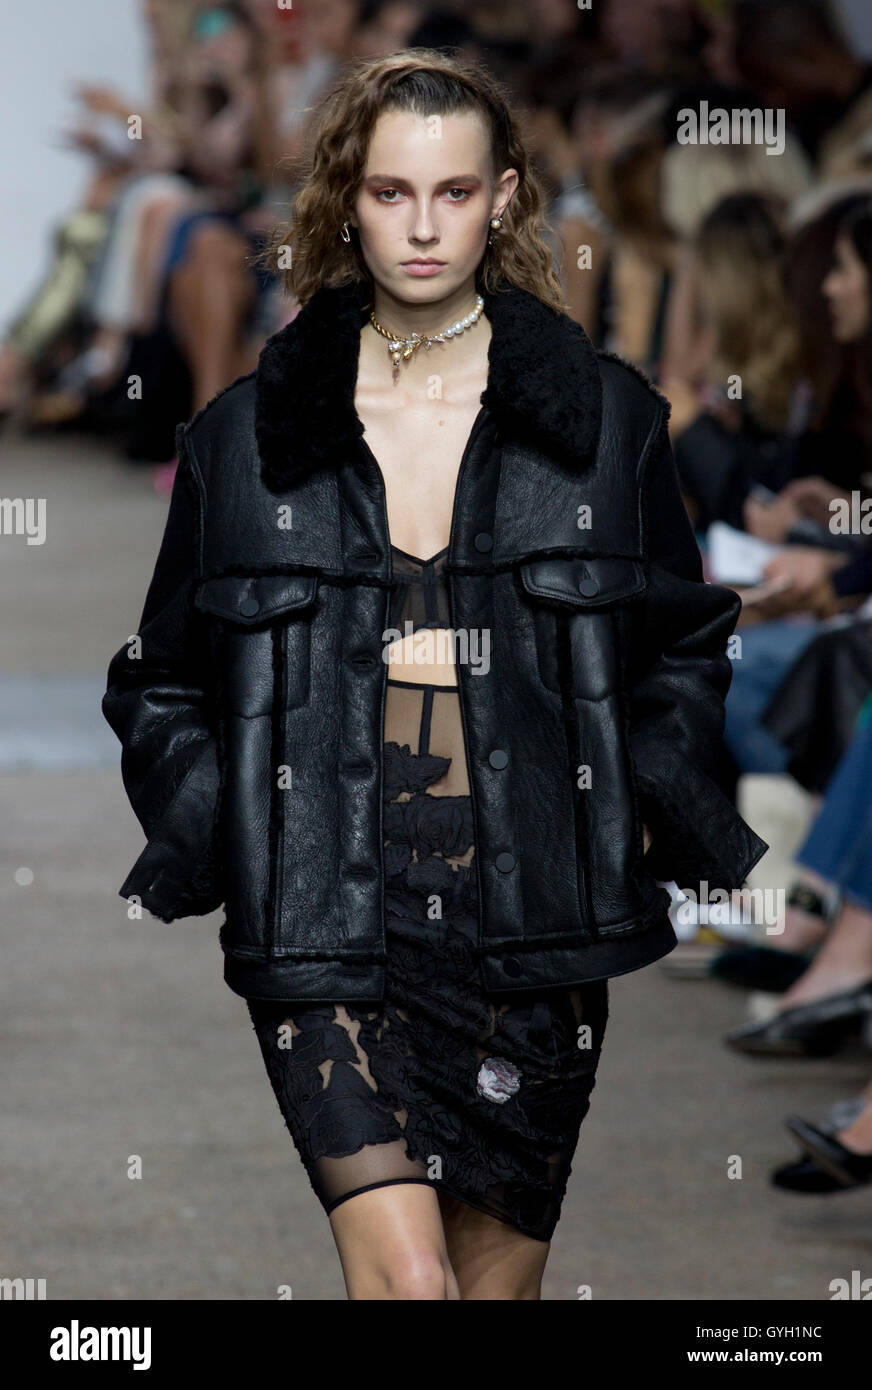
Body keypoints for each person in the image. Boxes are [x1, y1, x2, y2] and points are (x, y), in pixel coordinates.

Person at [102, 49, 767, 1301]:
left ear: (504, 196)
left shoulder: (599, 424)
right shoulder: (247, 439)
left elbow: (684, 638)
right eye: (391, 193)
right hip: (326, 915)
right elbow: (159, 675)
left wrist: (631, 803)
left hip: (533, 915)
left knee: (486, 1294)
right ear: (345, 199)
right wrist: (233, 825)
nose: (420, 227)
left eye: (452, 193)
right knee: (412, 1285)